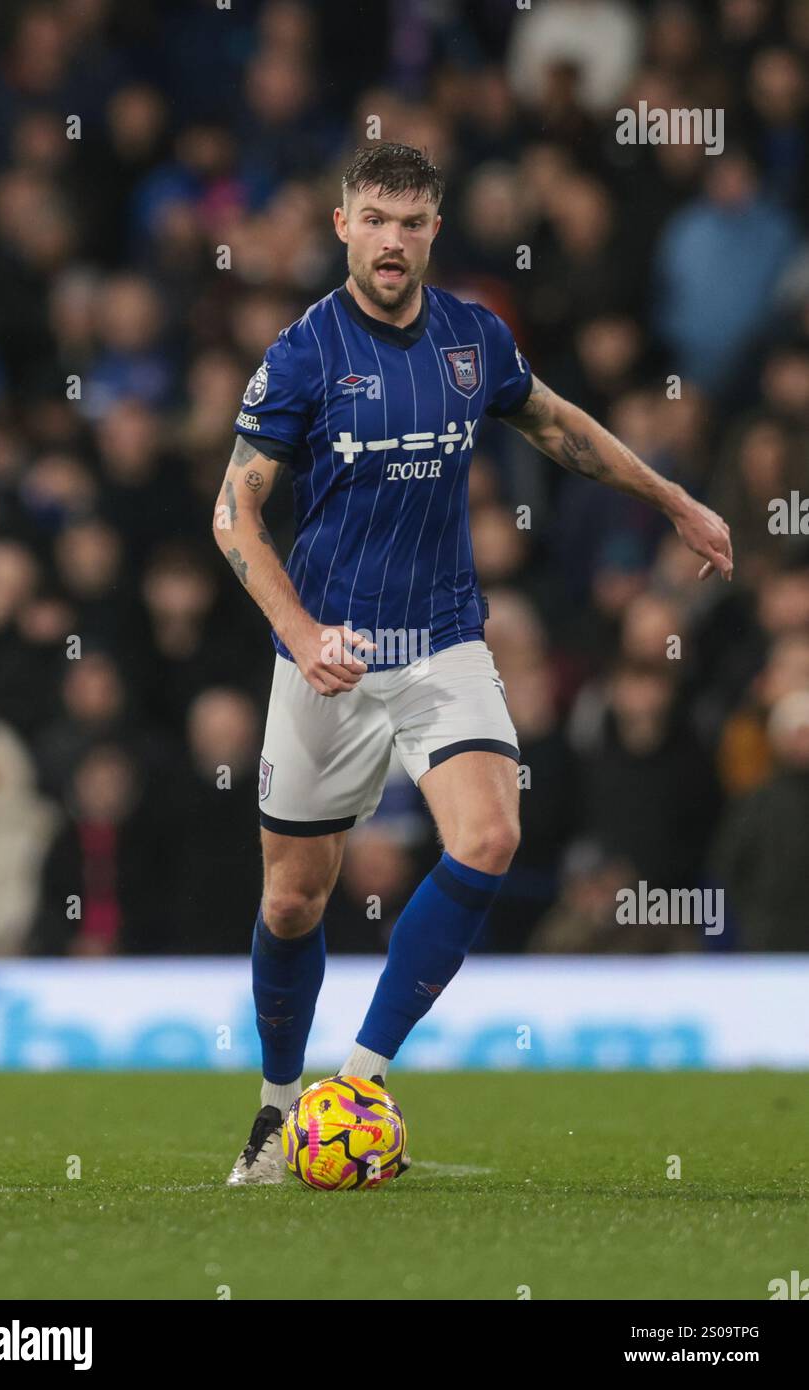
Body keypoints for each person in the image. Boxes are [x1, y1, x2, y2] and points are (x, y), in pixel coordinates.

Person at [211, 141, 733, 1184]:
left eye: (411, 221)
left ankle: (355, 1081)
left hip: (443, 638)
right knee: (290, 901)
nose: (393, 239)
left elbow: (554, 424)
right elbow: (234, 512)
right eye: (375, 218)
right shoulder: (306, 353)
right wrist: (304, 633)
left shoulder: (474, 338)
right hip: (333, 651)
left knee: (490, 833)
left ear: (434, 229)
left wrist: (671, 498)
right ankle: (276, 1110)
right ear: (342, 226)